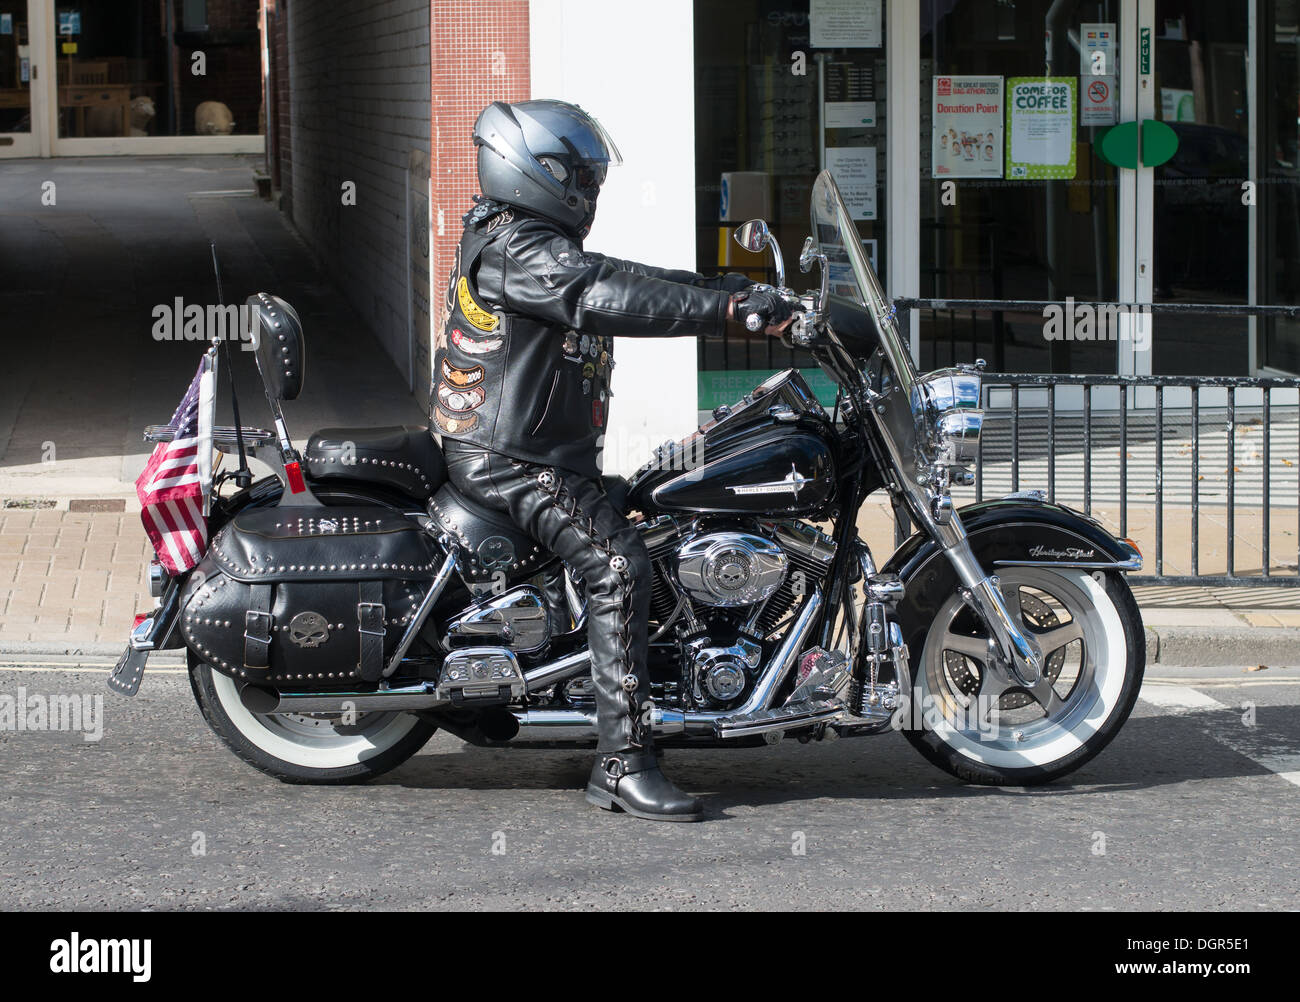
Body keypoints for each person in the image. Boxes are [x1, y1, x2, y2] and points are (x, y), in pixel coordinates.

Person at [435, 99, 793, 822]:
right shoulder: (517, 249)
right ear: (533, 172)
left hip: (542, 451)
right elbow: (602, 293)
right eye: (580, 174)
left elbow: (628, 275)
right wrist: (732, 317)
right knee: (619, 563)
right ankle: (623, 763)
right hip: (511, 457)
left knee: (668, 506)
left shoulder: (531, 239)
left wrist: (736, 293)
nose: (591, 189)